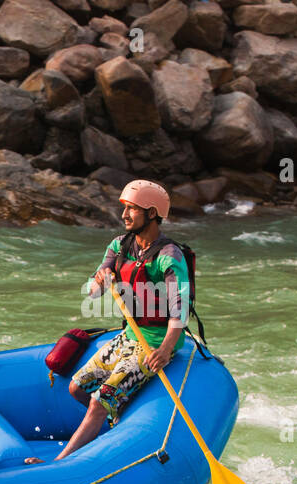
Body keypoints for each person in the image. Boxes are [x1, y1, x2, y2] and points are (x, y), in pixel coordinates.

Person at [26, 180, 189, 464]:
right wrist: (100, 280)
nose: (124, 215)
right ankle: (113, 425)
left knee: (99, 400)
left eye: (132, 210)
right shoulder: (119, 245)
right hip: (130, 336)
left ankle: (60, 461)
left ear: (151, 213)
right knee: (76, 387)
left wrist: (164, 350)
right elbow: (93, 287)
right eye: (124, 208)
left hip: (154, 342)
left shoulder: (169, 256)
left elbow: (180, 308)